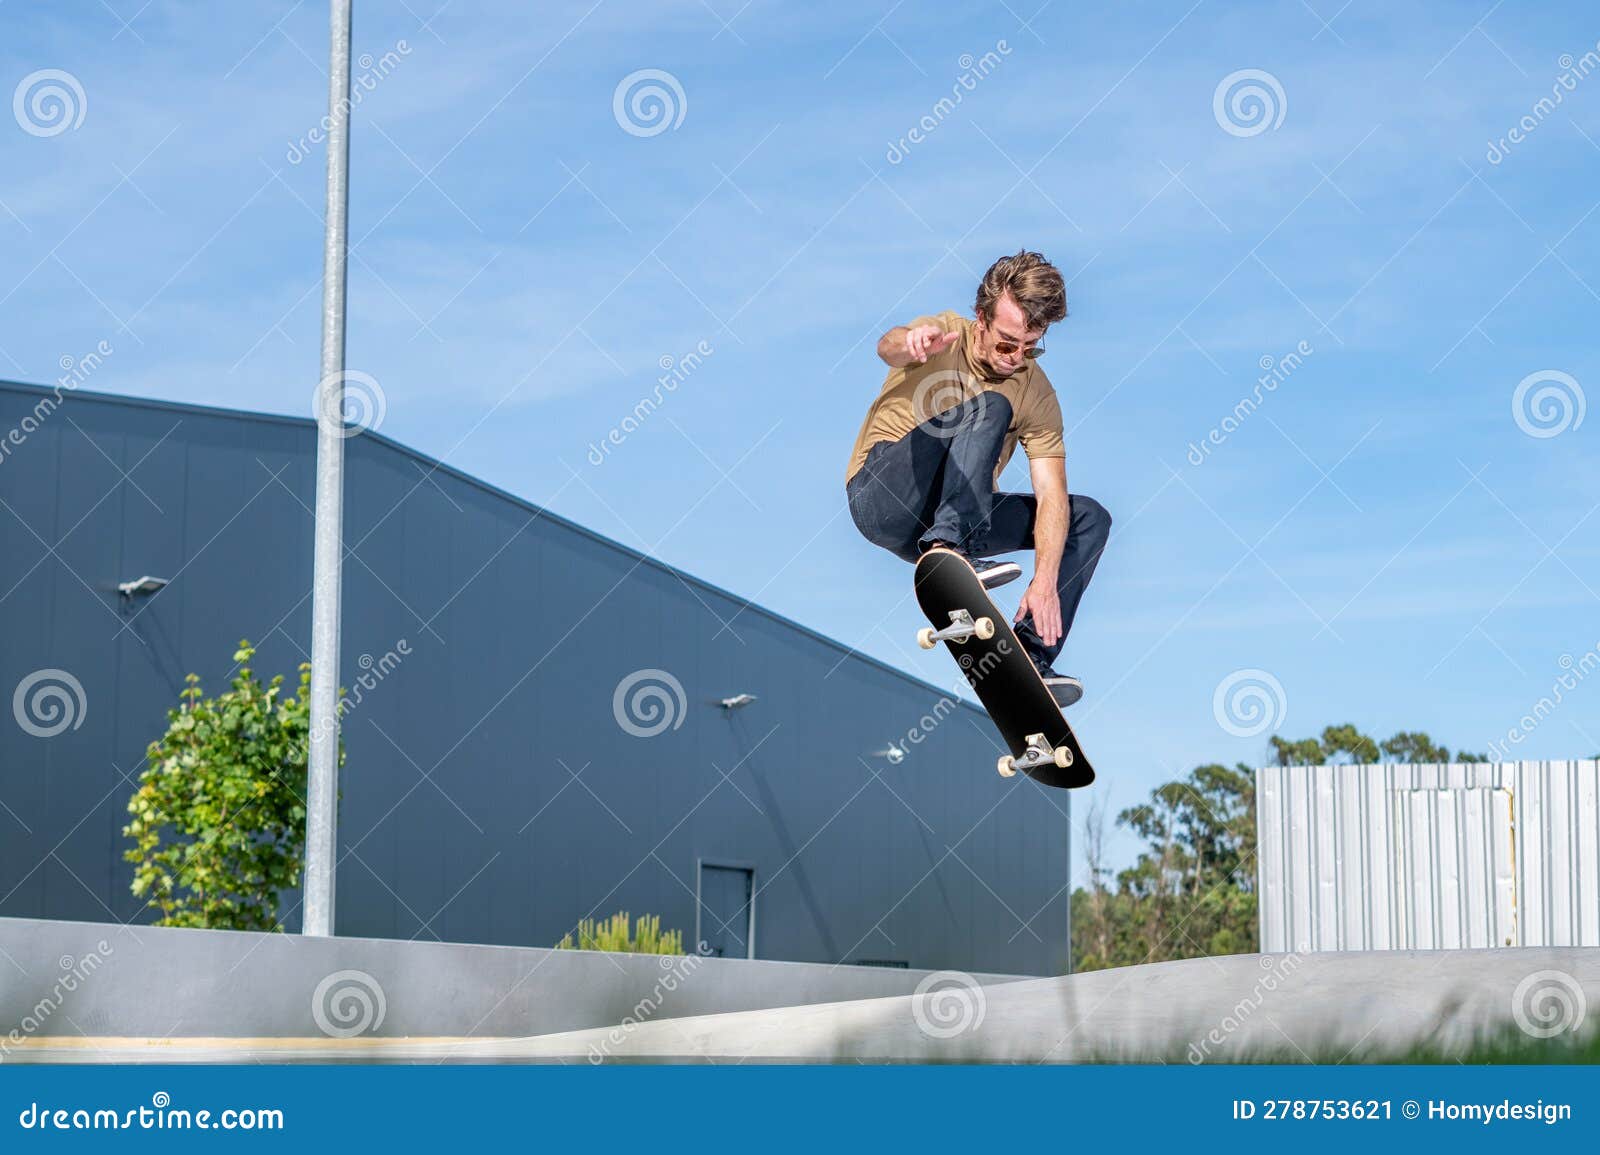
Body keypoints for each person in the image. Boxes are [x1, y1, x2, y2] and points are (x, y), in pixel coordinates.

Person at [845, 250, 1111, 707]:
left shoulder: (1038, 392)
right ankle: (950, 551)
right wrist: (910, 343)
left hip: (956, 513)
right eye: (1007, 343)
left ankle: (1031, 656)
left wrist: (1045, 581)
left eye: (1031, 347)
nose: (1015, 359)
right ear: (981, 319)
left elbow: (1051, 493)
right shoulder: (944, 334)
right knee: (993, 406)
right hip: (883, 495)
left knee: (1087, 517)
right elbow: (886, 344)